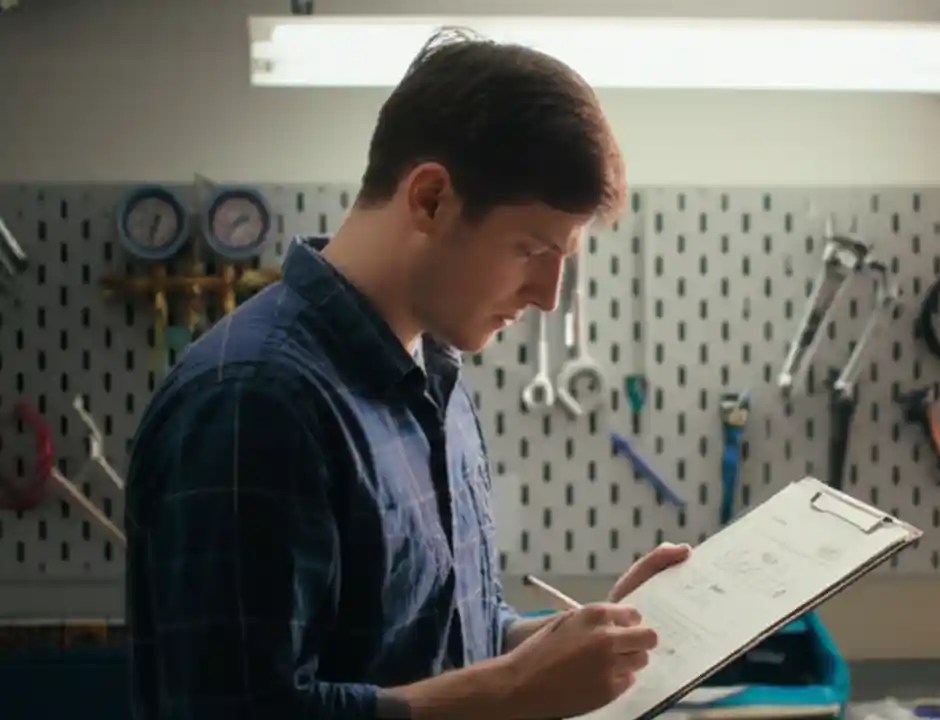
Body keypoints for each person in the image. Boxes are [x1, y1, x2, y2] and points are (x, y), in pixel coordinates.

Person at [124, 28, 691, 720]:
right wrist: (514, 690)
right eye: (531, 250)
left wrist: (578, 647)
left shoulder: (435, 378)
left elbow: (442, 641)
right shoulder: (253, 402)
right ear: (430, 199)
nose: (548, 297)